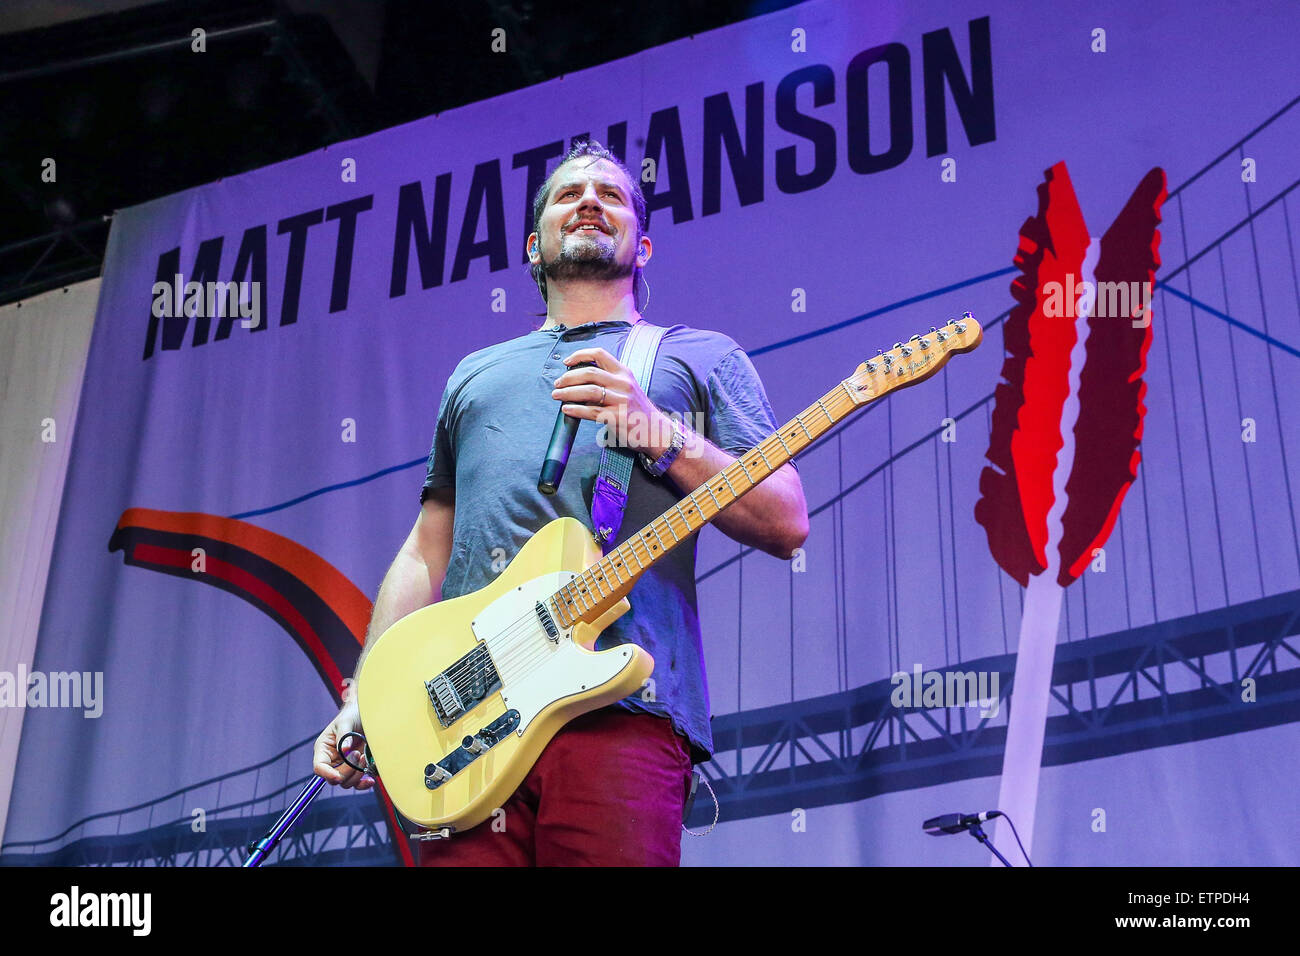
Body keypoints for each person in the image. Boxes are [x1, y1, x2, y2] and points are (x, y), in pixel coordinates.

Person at [313, 140, 808, 866]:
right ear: (532, 248)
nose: (588, 202)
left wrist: (655, 430)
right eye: (568, 195)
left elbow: (785, 518)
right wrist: (366, 696)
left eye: (611, 196)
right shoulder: (473, 377)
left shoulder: (700, 357)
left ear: (642, 247)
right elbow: (428, 547)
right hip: (467, 725)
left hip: (618, 708)